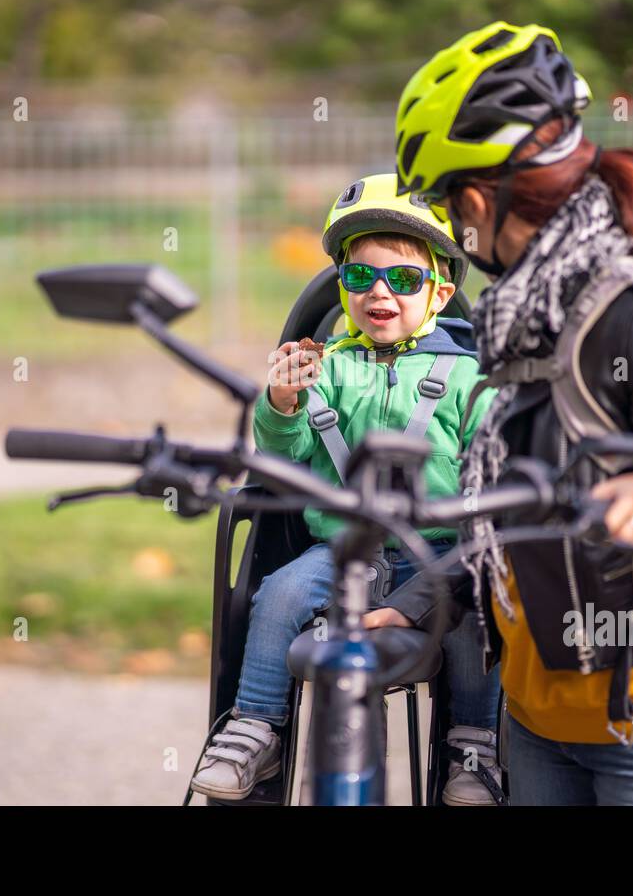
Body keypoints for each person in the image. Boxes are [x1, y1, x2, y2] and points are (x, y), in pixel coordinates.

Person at [390, 21, 633, 805]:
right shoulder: (520, 322)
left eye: (450, 212)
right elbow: (517, 522)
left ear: (477, 199)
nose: (457, 236)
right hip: (536, 723)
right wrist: (414, 603)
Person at [189, 174, 502, 804]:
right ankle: (256, 727)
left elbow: (490, 467)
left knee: (474, 618)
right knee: (277, 594)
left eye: (403, 280)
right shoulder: (328, 365)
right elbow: (287, 456)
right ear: (343, 287)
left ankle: (473, 747)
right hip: (340, 550)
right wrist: (283, 402)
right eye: (360, 279)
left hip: (438, 550)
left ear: (440, 291)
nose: (379, 292)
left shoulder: (469, 376)